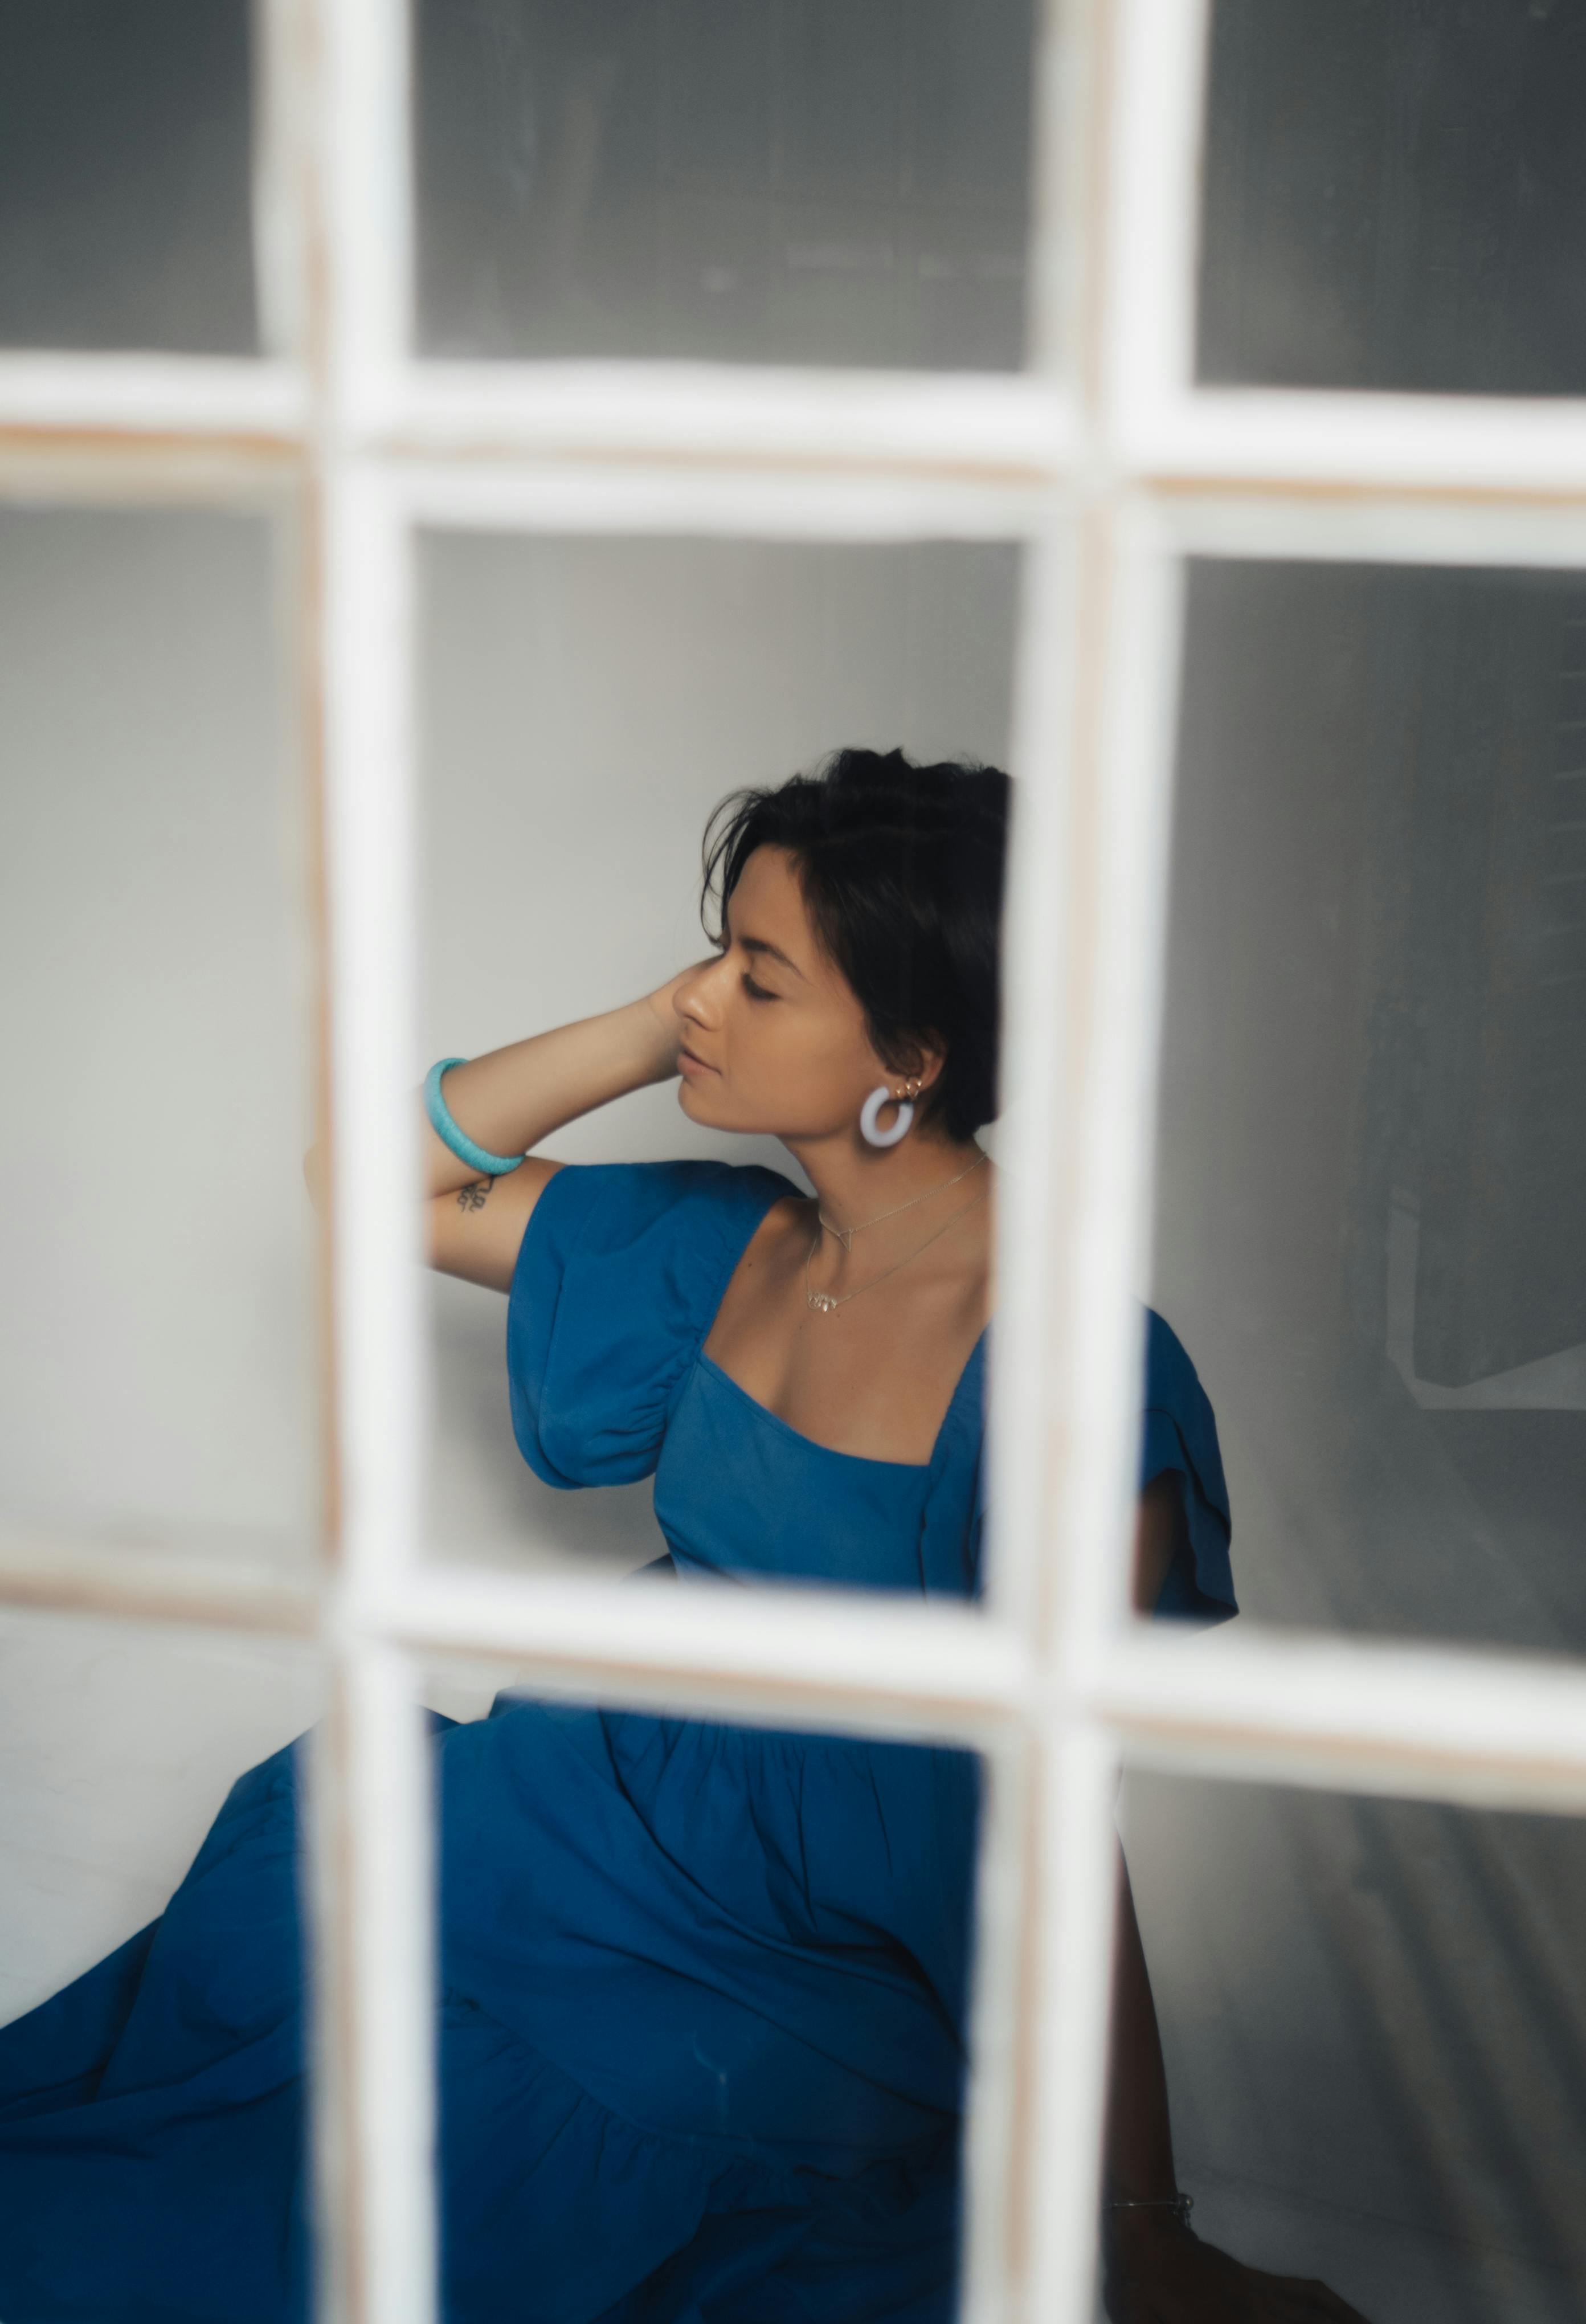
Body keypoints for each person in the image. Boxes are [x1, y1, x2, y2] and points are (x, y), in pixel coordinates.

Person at [0, 749, 1364, 2323]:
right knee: (250, 2049)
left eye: (759, 981)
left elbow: (1061, 1834)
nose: (704, 999)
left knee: (391, 2215)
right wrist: (665, 1021)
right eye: (715, 955)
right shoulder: (728, 1245)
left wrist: (1146, 2228)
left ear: (910, 1056)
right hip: (576, 1817)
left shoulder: (1070, 1370)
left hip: (794, 1957)